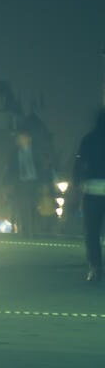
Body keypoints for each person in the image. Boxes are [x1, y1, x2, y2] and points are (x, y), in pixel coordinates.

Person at [77, 109, 105, 284]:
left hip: (93, 189)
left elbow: (79, 162)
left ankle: (95, 267)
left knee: (92, 233)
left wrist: (79, 181)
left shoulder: (88, 139)